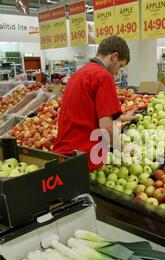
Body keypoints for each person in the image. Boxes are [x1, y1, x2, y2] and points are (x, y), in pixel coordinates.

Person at [53, 35, 133, 171]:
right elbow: (106, 128)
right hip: (84, 157)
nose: (117, 71)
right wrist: (125, 148)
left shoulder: (77, 75)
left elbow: (85, 110)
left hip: (64, 154)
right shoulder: (103, 76)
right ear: (114, 56)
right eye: (120, 66)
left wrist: (122, 117)